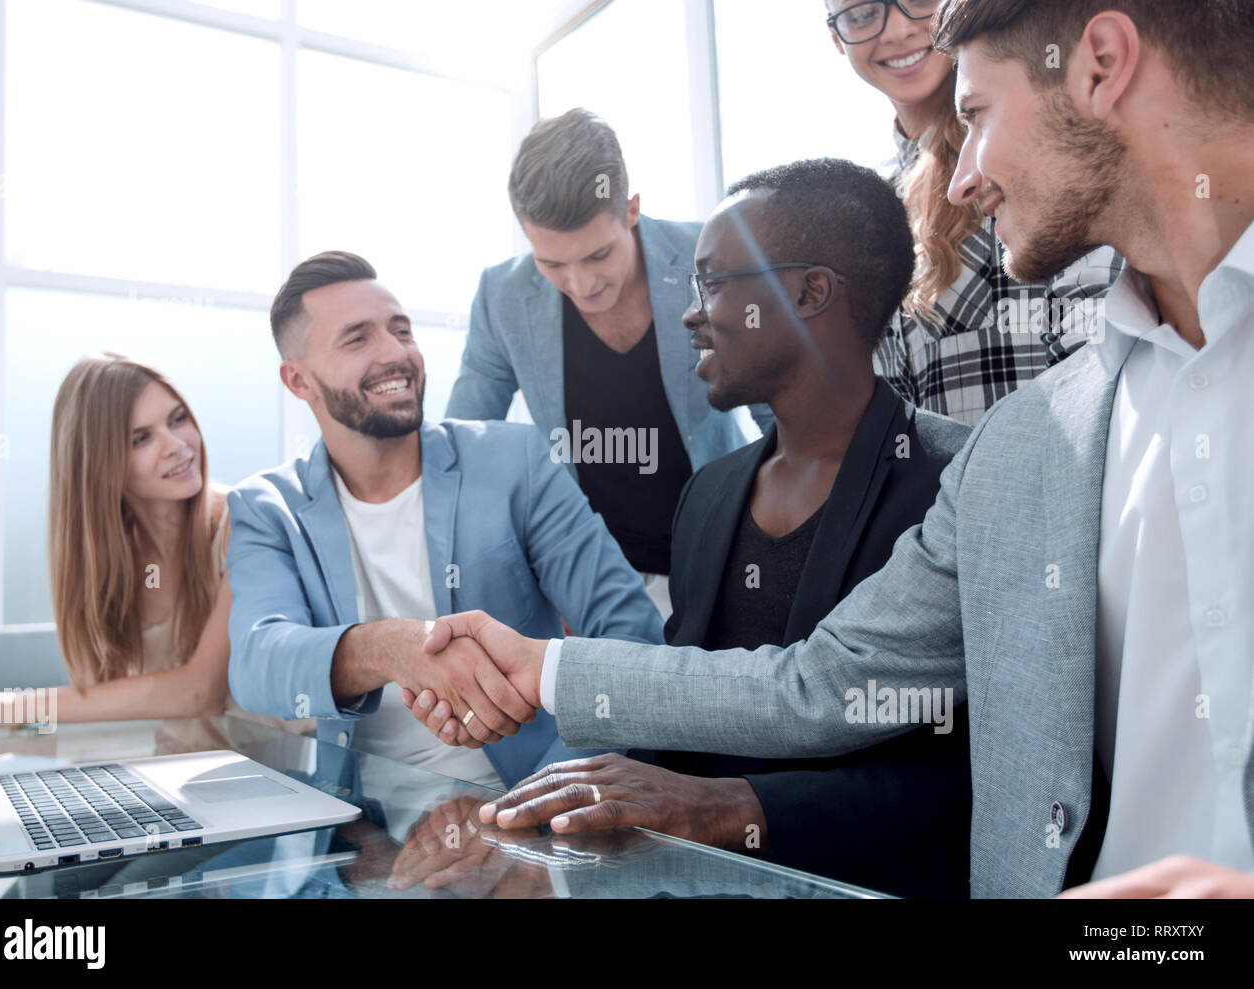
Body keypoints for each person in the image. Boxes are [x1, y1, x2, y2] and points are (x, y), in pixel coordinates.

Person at [405, 0, 1254, 899]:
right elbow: (816, 685)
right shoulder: (1028, 447)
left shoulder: (949, 455)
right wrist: (543, 666)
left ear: (1102, 63)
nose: (959, 179)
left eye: (976, 117)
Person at [411, 159, 973, 897]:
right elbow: (682, 716)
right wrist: (539, 783)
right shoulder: (710, 496)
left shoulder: (949, 480)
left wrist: (736, 808)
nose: (687, 312)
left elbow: (964, 776)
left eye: (712, 283)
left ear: (809, 292)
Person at [225, 251, 663, 790]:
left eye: (401, 330)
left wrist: (539, 802)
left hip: (528, 795)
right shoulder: (267, 507)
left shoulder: (515, 462)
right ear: (298, 381)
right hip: (360, 823)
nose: (395, 354)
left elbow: (633, 638)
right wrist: (392, 648)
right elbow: (255, 662)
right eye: (358, 338)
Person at [445, 108, 771, 614]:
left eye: (598, 255)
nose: (581, 284)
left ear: (632, 210)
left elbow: (778, 404)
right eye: (552, 263)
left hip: (720, 554)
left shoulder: (709, 258)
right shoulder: (501, 295)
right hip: (590, 580)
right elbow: (465, 449)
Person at [824, 0, 1124, 425]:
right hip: (930, 493)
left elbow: (1099, 369)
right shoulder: (860, 210)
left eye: (919, 0)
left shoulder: (1038, 151)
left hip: (1041, 479)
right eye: (862, 14)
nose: (895, 31)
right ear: (836, 36)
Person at [0, 353, 285, 729]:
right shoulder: (111, 556)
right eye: (141, 439)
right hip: (174, 770)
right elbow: (105, 700)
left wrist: (17, 707)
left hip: (275, 774)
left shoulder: (244, 525)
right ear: (99, 466)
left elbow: (199, 692)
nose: (176, 445)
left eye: (178, 418)